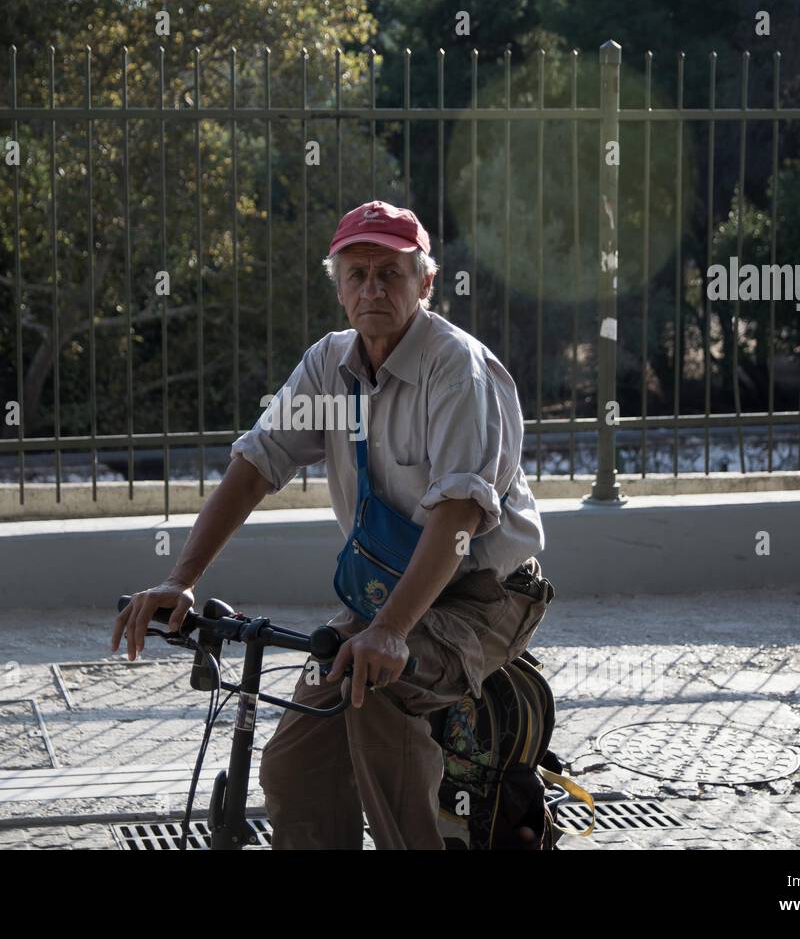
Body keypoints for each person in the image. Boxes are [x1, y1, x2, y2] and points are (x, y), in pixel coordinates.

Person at [113, 199, 551, 849]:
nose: (372, 288)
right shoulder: (329, 365)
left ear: (425, 283)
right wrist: (181, 579)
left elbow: (459, 518)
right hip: (381, 597)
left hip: (483, 595)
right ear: (338, 285)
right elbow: (258, 462)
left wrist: (392, 632)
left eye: (390, 273)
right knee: (297, 762)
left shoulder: (457, 370)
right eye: (357, 273)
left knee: (378, 688)